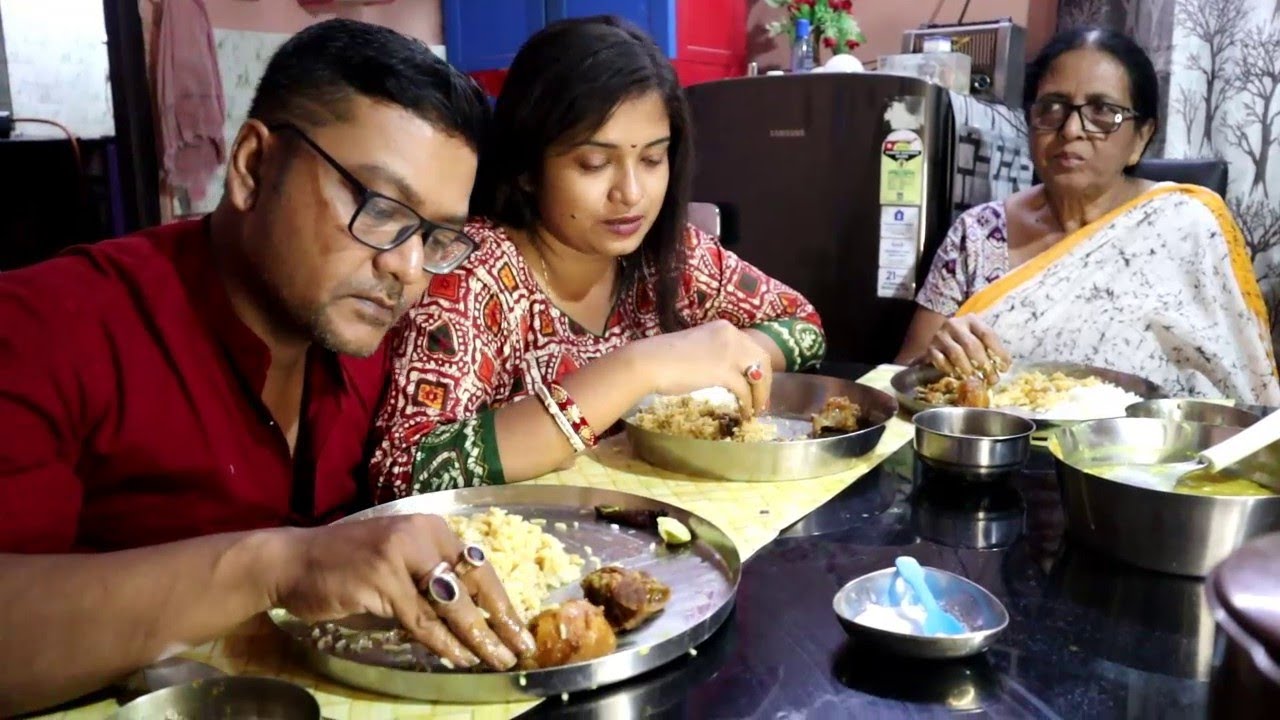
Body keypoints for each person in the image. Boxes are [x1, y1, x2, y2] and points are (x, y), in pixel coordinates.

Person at [0, 20, 533, 715]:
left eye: (434, 237)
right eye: (378, 208)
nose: (405, 267)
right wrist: (279, 565)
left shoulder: (370, 344)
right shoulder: (51, 326)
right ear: (253, 166)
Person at [370, 16, 826, 498]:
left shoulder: (669, 256)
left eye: (652, 159)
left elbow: (804, 327)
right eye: (594, 164)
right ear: (527, 168)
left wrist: (721, 357)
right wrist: (638, 370)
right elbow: (408, 467)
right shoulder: (472, 275)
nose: (630, 193)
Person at [895, 27, 1279, 403]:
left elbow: (1241, 386)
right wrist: (938, 356)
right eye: (1051, 108)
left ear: (1141, 137)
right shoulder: (976, 234)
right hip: (989, 454)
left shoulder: (1189, 224)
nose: (1071, 129)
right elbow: (900, 376)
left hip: (1147, 456)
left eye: (1102, 111)